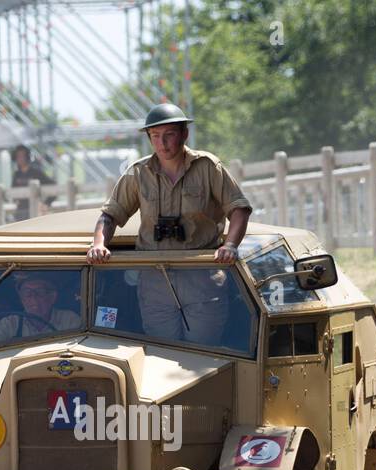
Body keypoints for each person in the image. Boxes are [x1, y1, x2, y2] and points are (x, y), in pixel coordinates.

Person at [87, 103, 253, 345]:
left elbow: (239, 208)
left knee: (201, 353)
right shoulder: (138, 173)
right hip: (155, 281)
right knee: (162, 353)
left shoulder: (208, 167)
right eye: (155, 137)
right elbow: (109, 215)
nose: (162, 143)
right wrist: (98, 244)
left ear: (184, 134)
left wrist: (230, 245)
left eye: (169, 135)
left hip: (202, 278)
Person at [0, 273, 80, 346]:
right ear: (21, 299)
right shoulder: (10, 323)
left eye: (39, 292)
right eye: (27, 293)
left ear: (52, 297)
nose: (33, 298)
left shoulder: (69, 319)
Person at [12, 145, 54, 220]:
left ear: (27, 157)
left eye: (22, 156)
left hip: (35, 210)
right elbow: (13, 191)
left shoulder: (36, 172)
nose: (20, 159)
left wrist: (46, 204)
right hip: (21, 211)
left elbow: (53, 186)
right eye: (18, 156)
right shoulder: (16, 174)